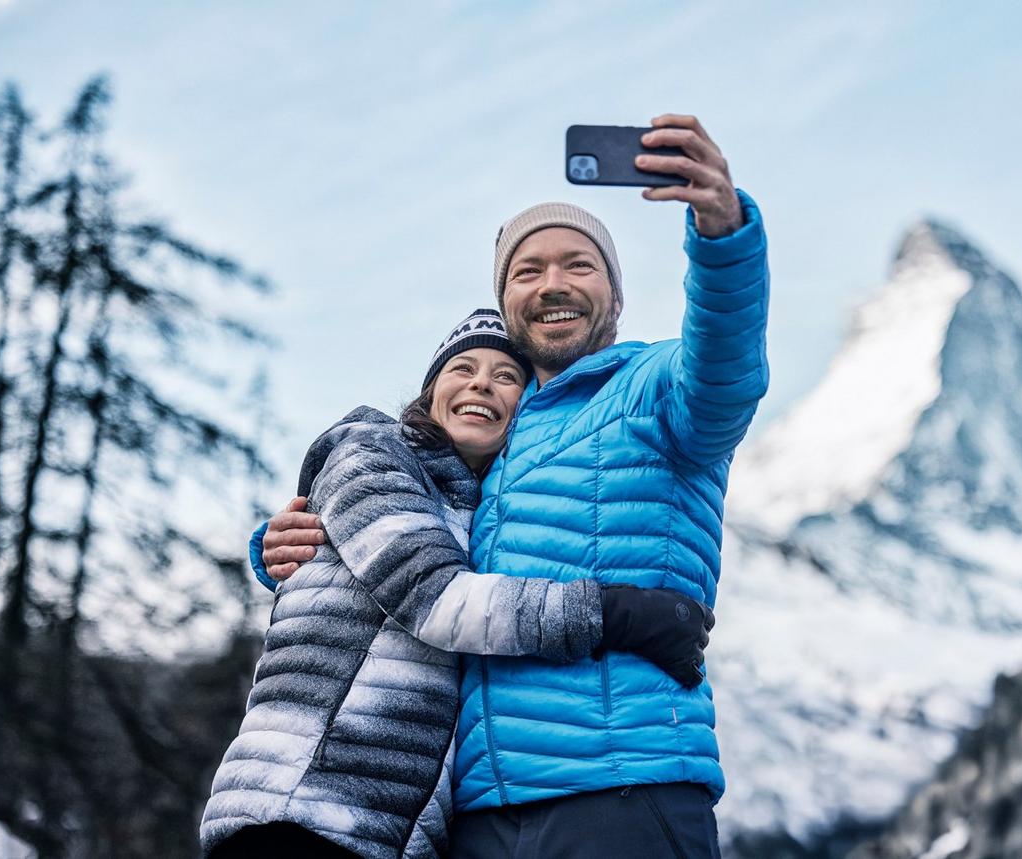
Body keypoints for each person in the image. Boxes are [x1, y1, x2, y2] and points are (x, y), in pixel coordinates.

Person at [260, 114, 768, 858]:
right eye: (527, 272)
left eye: (578, 265)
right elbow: (413, 549)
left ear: (616, 299)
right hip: (474, 816)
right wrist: (285, 544)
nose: (552, 284)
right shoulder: (493, 436)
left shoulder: (656, 388)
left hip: (618, 793)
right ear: (507, 303)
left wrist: (722, 233)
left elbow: (726, 367)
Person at [202, 309, 715, 859]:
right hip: (303, 809)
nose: (480, 383)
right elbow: (437, 600)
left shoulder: (479, 515)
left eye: (506, 376)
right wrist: (620, 614)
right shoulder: (374, 451)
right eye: (462, 368)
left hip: (390, 832)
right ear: (429, 393)